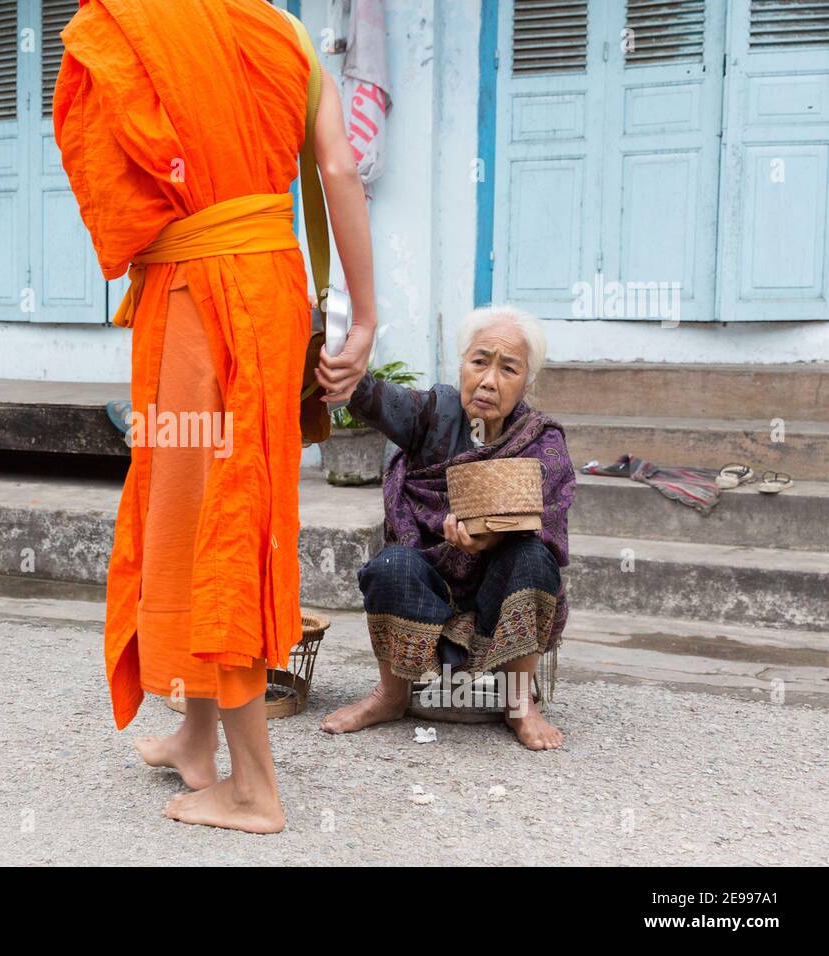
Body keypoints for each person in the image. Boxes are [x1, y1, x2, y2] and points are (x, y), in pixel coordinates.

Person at [53, 0, 376, 832]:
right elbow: (339, 170)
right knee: (213, 507)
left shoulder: (129, 25)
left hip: (199, 299)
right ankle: (198, 737)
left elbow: (110, 192)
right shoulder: (288, 33)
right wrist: (363, 318)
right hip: (266, 292)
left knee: (215, 520)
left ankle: (255, 788)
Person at [320, 306, 576, 750]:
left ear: (526, 383)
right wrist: (336, 346)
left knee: (534, 557)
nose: (489, 380)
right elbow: (370, 396)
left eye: (508, 368)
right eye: (479, 362)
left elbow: (544, 521)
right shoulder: (432, 414)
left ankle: (518, 702)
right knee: (391, 565)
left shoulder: (541, 440)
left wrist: (492, 537)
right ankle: (391, 695)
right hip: (429, 586)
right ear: (461, 364)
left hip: (496, 590)